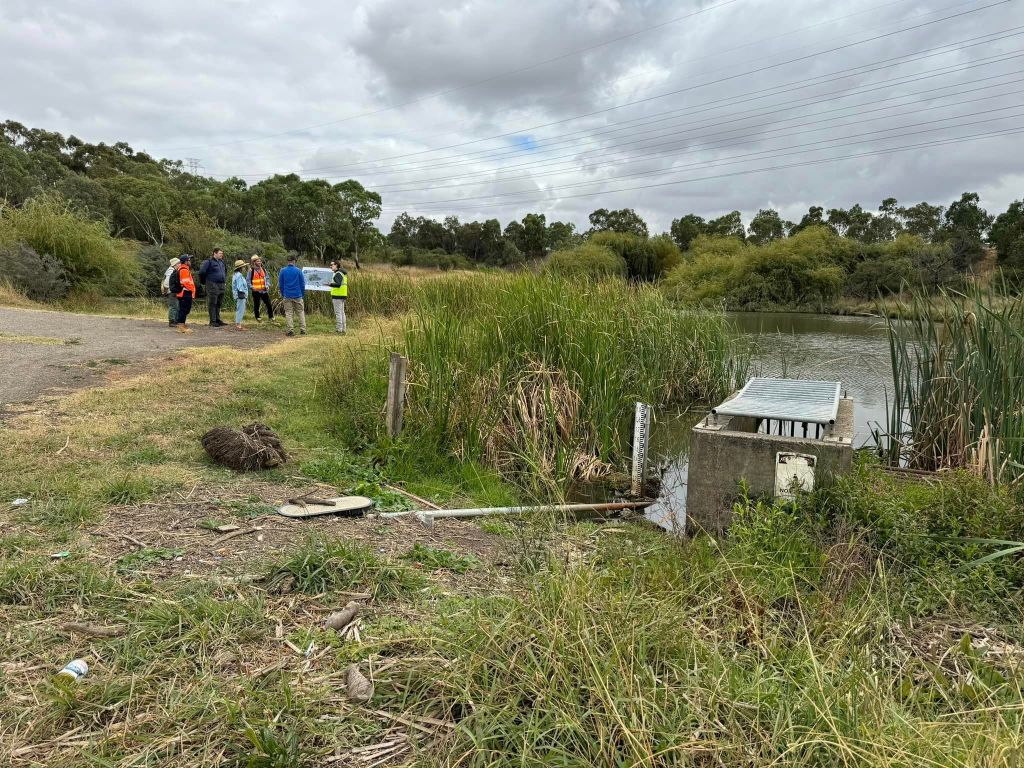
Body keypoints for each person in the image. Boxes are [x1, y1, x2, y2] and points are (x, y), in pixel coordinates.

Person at [277, 254, 306, 336]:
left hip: (287, 295)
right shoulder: (298, 271)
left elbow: (281, 284)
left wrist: (283, 293)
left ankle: (290, 330)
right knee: (300, 312)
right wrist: (302, 294)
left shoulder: (283, 270)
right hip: (298, 295)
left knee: (289, 313)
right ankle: (303, 330)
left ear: (288, 261)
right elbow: (302, 284)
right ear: (294, 261)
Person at [198, 247, 227, 327]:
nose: (222, 255)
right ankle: (213, 321)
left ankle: (217, 319)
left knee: (219, 303)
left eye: (222, 253)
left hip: (221, 285)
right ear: (215, 253)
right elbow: (201, 272)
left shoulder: (221, 262)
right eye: (220, 253)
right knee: (213, 303)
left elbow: (225, 272)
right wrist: (204, 282)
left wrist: (224, 280)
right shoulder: (208, 262)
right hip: (212, 284)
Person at [171, 255, 195, 334]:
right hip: (185, 292)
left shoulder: (184, 269)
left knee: (185, 309)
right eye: (189, 260)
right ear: (186, 261)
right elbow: (185, 282)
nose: (190, 261)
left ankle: (182, 324)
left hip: (185, 292)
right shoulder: (184, 269)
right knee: (184, 309)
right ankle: (181, 326)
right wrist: (192, 290)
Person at [247, 254, 274, 322]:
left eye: (260, 261)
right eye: (258, 261)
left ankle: (271, 317)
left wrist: (267, 285)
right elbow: (247, 281)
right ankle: (257, 317)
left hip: (264, 291)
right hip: (256, 291)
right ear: (254, 262)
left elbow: (267, 278)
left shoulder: (264, 270)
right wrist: (252, 287)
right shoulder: (251, 271)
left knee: (268, 304)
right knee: (257, 304)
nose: (259, 262)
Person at [329, 260, 348, 334]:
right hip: (342, 295)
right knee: (342, 313)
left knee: (338, 313)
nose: (330, 266)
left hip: (337, 296)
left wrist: (330, 284)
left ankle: (339, 329)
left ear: (336, 265)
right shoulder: (342, 273)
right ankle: (343, 329)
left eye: (332, 265)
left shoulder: (338, 274)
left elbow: (338, 284)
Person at [161, 257, 180, 327]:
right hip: (171, 292)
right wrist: (166, 292)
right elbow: (166, 283)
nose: (180, 264)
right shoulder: (171, 271)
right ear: (175, 264)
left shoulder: (172, 270)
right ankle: (172, 322)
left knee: (176, 306)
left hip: (172, 291)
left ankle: (175, 321)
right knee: (174, 306)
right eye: (179, 263)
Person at [231, 260, 249, 331]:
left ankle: (238, 323)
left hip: (239, 294)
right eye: (243, 267)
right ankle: (238, 325)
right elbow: (240, 286)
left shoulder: (236, 274)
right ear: (241, 268)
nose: (244, 268)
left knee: (240, 308)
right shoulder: (239, 275)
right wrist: (243, 293)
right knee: (240, 309)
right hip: (240, 294)